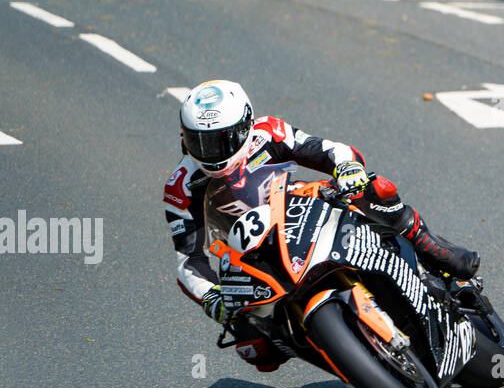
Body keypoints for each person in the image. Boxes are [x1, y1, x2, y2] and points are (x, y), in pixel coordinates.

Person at [166, 79, 481, 370]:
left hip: (302, 210)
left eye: (222, 140)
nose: (211, 153)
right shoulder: (180, 186)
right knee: (256, 350)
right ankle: (352, 363)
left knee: (371, 189)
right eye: (199, 141)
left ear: (246, 124)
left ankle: (429, 245)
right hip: (254, 257)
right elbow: (188, 262)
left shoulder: (268, 132)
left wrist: (345, 167)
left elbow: (327, 149)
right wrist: (212, 296)